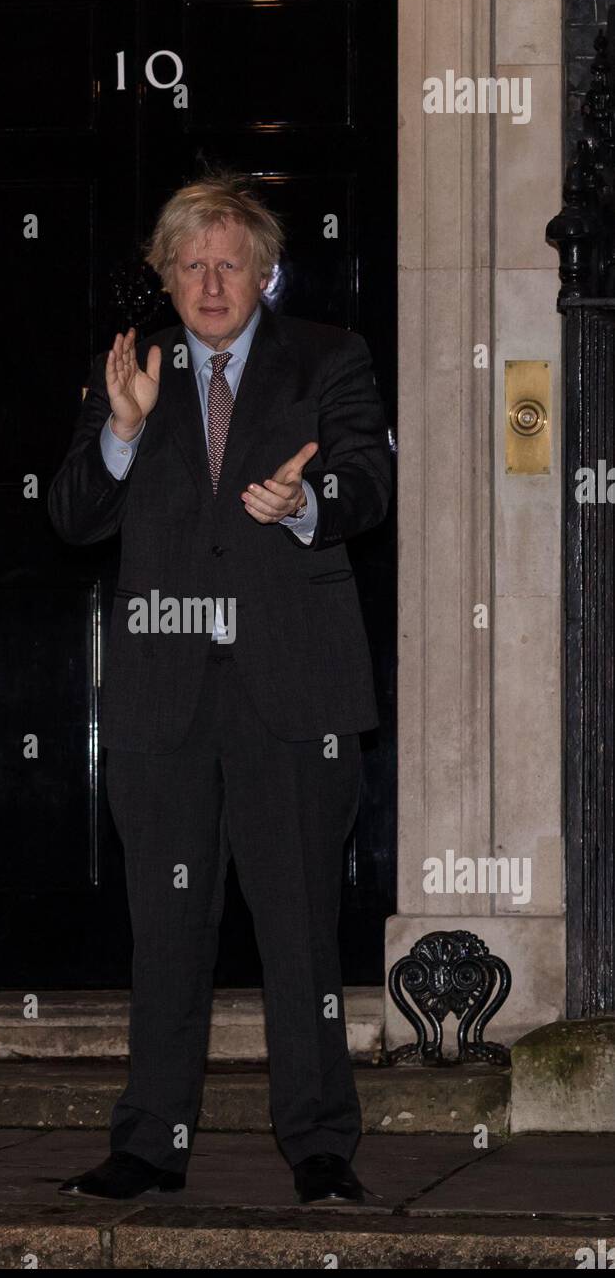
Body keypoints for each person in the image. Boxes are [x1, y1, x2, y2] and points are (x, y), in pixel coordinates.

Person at [48, 172, 391, 1203]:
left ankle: (320, 1146)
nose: (208, 282)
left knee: (297, 928)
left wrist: (301, 501)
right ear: (164, 275)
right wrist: (117, 433)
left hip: (293, 695)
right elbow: (70, 516)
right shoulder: (127, 372)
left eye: (228, 263)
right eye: (189, 264)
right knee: (166, 931)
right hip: (164, 701)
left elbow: (368, 483)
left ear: (263, 273)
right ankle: (150, 1142)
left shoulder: (327, 357)